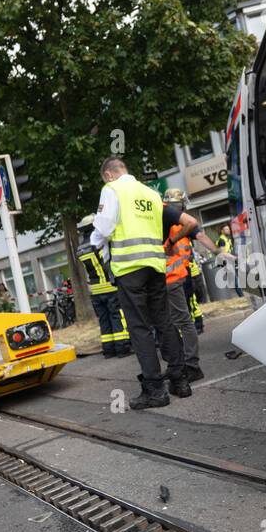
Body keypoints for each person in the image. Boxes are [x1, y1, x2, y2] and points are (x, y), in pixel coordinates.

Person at [84, 157, 192, 409]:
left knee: (139, 327)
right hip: (155, 265)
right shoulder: (151, 193)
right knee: (164, 321)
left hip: (128, 267)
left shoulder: (111, 189)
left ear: (109, 175)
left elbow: (105, 226)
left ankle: (155, 390)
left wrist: (94, 242)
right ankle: (180, 381)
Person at [161, 189, 220, 381]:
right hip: (180, 278)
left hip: (169, 279)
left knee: (180, 322)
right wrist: (218, 252)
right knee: (182, 321)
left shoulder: (164, 218)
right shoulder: (184, 223)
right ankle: (186, 364)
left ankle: (190, 366)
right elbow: (202, 237)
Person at [76, 222, 131, 359]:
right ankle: (122, 347)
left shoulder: (80, 248)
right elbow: (106, 263)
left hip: (95, 289)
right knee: (117, 316)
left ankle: (108, 349)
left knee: (104, 319)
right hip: (108, 286)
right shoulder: (98, 243)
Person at [217, 224, 241, 296]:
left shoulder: (227, 238)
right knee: (236, 282)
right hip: (227, 262)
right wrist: (234, 257)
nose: (228, 230)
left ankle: (241, 295)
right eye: (226, 229)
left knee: (236, 281)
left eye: (228, 229)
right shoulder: (222, 240)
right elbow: (223, 253)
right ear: (222, 231)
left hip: (230, 262)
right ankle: (241, 296)